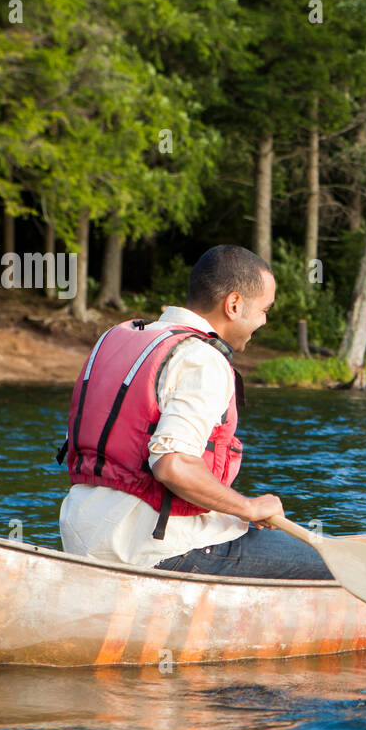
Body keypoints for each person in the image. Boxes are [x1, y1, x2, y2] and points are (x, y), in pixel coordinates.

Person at [57, 245, 331, 579]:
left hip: (83, 540)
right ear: (233, 305)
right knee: (330, 566)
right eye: (263, 310)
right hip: (158, 550)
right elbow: (172, 464)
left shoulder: (122, 338)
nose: (264, 321)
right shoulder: (202, 358)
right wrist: (248, 507)